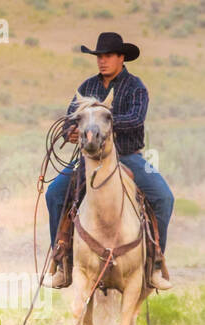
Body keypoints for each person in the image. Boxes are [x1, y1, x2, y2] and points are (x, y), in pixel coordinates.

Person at [44, 32, 173, 291]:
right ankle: (61, 260)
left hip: (128, 157)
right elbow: (71, 117)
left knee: (163, 197)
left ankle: (155, 263)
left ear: (121, 58)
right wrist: (70, 130)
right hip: (90, 159)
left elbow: (135, 119)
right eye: (99, 57)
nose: (102, 61)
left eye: (108, 56)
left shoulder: (136, 87)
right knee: (55, 193)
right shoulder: (87, 87)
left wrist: (100, 123)